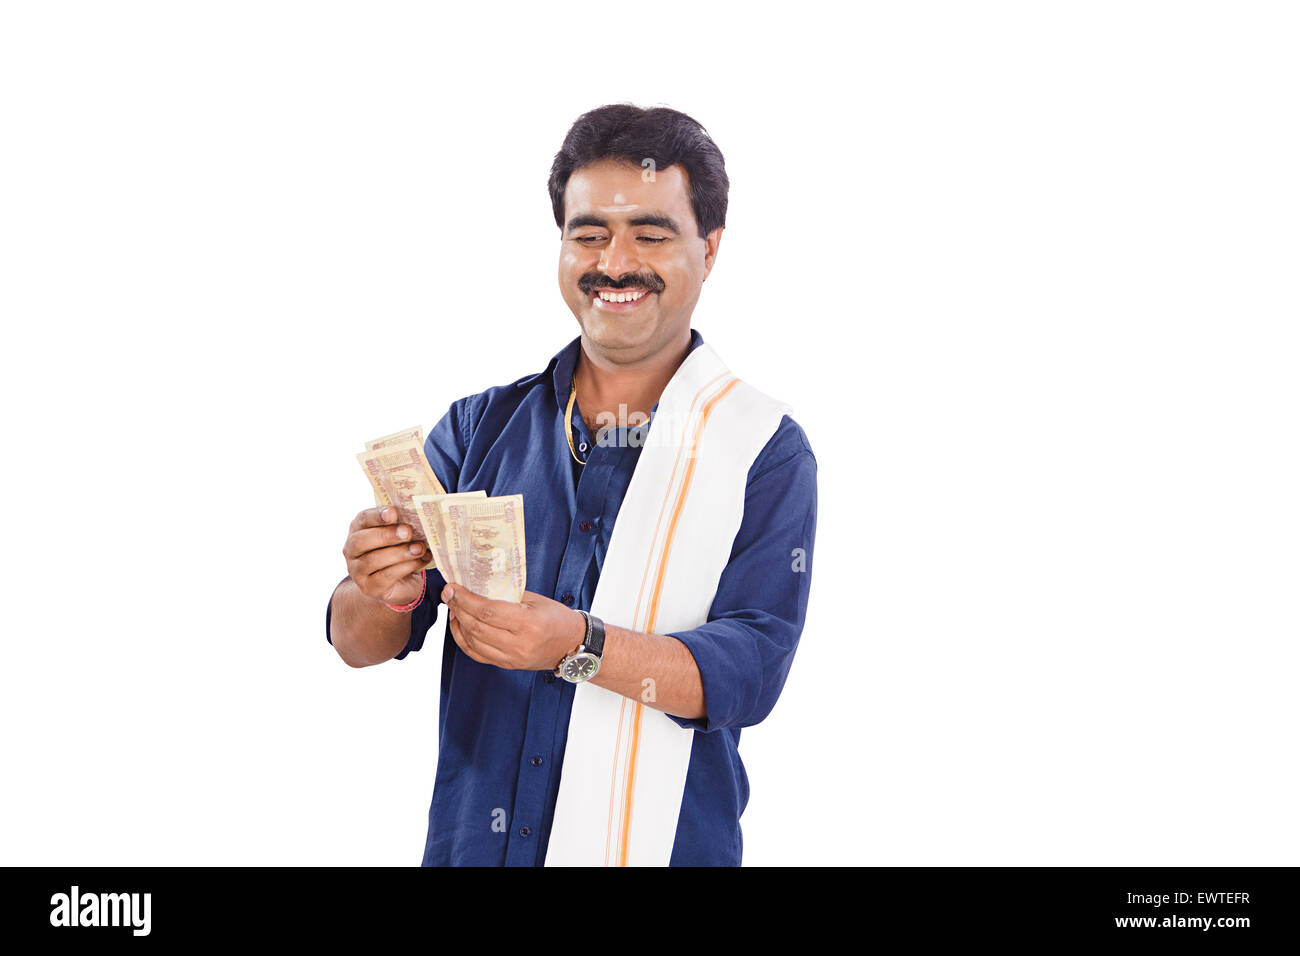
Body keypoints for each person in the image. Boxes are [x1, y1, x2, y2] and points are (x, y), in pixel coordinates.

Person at [326, 103, 817, 866]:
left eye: (650, 234)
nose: (614, 263)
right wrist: (379, 587)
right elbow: (360, 643)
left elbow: (748, 674)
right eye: (589, 235)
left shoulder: (761, 449)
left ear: (710, 248)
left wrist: (576, 646)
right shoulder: (479, 428)